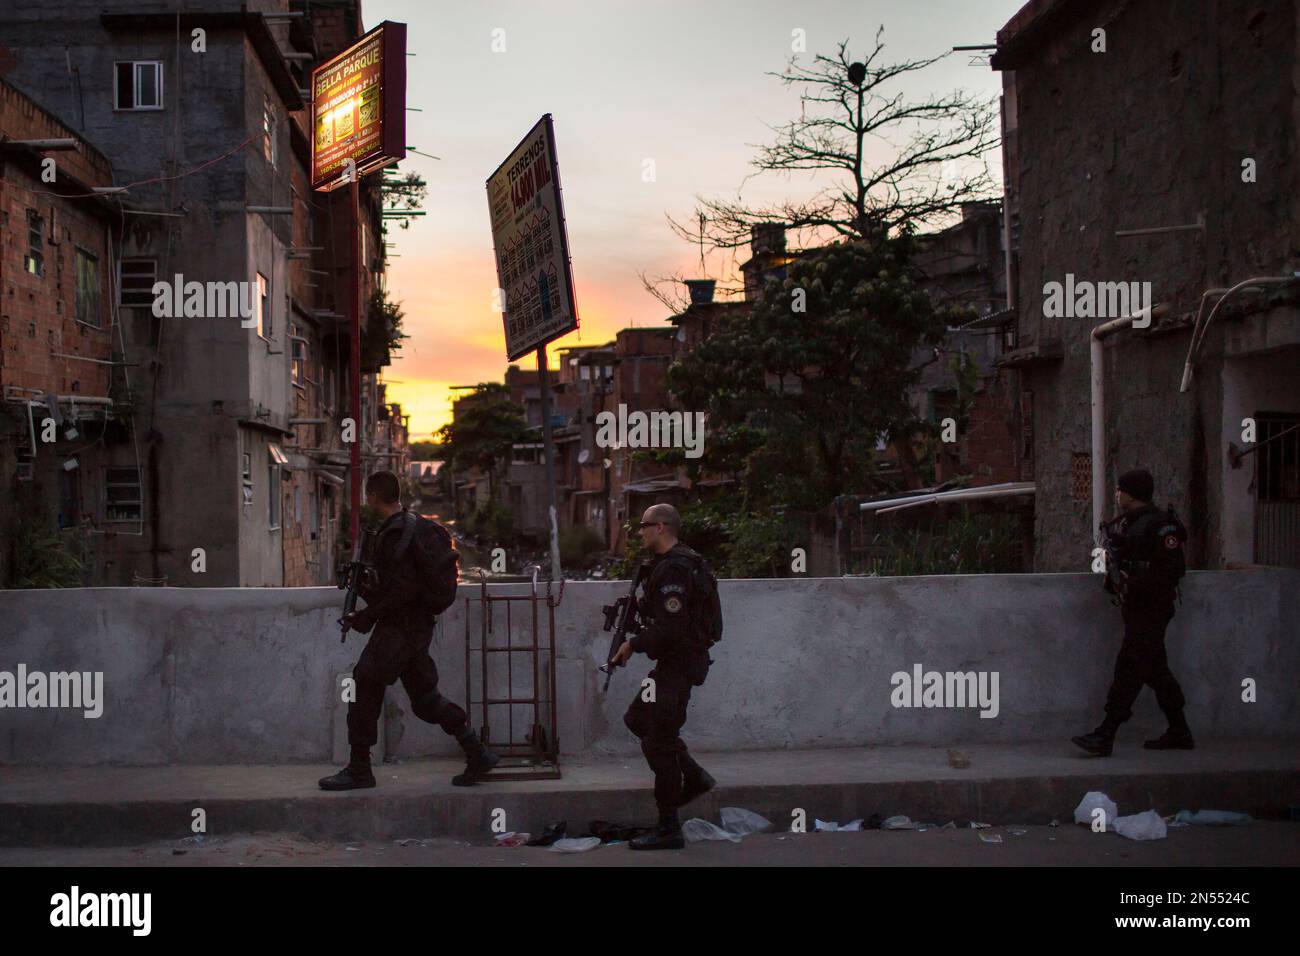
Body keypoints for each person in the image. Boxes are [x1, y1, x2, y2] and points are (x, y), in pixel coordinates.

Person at [319, 470, 498, 790]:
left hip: (399, 630)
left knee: (362, 684)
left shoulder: (393, 534)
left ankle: (360, 768)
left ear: (373, 496)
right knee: (426, 699)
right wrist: (364, 591)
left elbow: (401, 591)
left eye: (367, 495)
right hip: (417, 628)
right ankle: (477, 751)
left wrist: (366, 617)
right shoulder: (412, 526)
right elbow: (400, 587)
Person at [609, 503, 720, 850]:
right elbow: (666, 611)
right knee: (637, 718)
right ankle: (696, 776)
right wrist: (633, 610)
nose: (639, 532)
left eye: (643, 526)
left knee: (658, 744)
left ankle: (669, 828)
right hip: (669, 668)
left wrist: (632, 645)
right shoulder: (674, 565)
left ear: (660, 527)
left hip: (678, 668)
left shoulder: (674, 569)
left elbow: (672, 627)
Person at [1073, 469, 1193, 757]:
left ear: (1132, 493)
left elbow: (1174, 569)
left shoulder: (1161, 526)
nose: (1117, 494)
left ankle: (1107, 732)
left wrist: (1135, 582)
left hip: (1152, 608)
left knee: (1130, 665)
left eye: (1120, 489)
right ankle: (1180, 730)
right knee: (1155, 670)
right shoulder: (1128, 524)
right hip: (1136, 607)